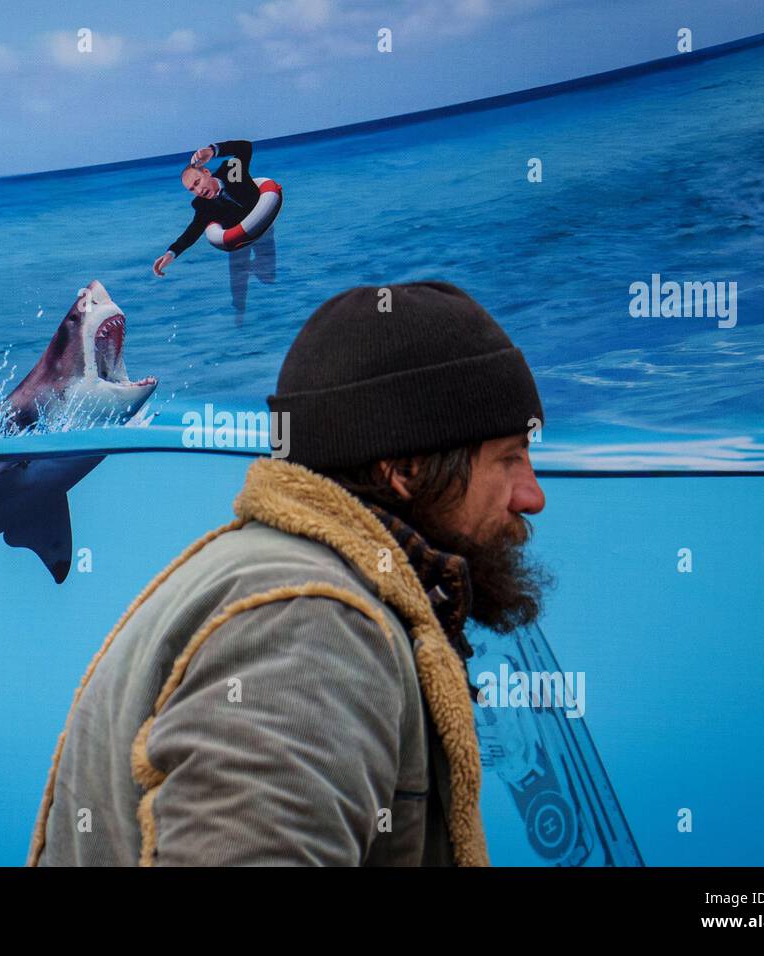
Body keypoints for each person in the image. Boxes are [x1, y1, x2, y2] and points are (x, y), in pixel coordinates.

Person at [28, 281, 550, 866]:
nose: (533, 496)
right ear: (403, 469)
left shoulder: (285, 579)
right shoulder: (316, 628)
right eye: (509, 458)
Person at [152, 139, 276, 312]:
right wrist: (171, 253)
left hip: (264, 217)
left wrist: (213, 150)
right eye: (192, 190)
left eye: (197, 182)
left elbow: (245, 147)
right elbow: (192, 231)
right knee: (242, 289)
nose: (198, 191)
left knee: (268, 275)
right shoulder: (203, 206)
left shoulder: (232, 172)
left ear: (206, 172)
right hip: (240, 238)